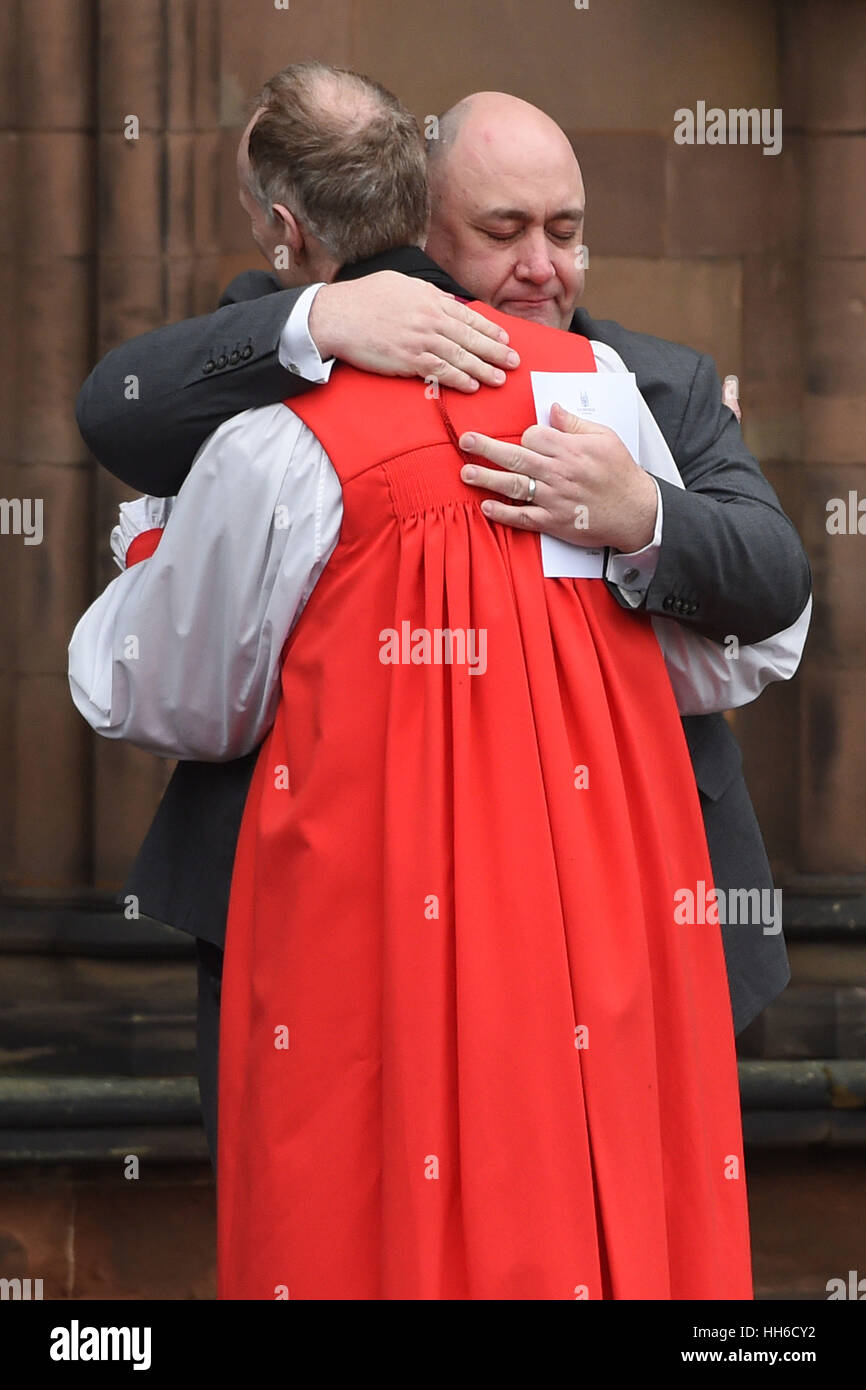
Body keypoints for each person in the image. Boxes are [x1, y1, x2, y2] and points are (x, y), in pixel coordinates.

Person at [70, 63, 758, 1300]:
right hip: (587, 918)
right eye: (506, 230)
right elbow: (733, 664)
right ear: (426, 223)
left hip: (362, 926)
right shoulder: (588, 399)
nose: (542, 262)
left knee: (366, 1234)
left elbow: (170, 693)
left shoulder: (271, 445)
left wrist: (146, 559)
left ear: (286, 227)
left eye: (564, 229)